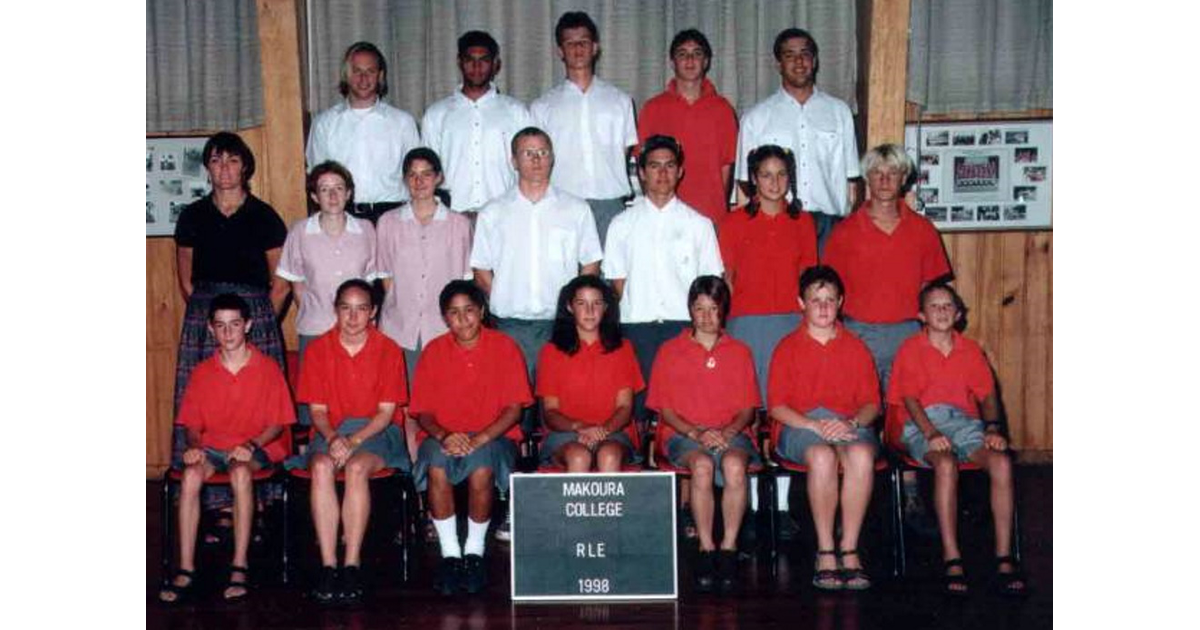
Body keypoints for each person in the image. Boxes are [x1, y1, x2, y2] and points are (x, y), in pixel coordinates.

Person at [822, 143, 953, 537]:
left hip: (907, 334)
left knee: (906, 414)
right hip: (859, 332)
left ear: (904, 180)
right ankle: (853, 496)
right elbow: (830, 289)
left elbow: (934, 288)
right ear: (866, 179)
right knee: (859, 411)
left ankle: (910, 492)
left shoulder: (922, 230)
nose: (884, 181)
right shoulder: (845, 232)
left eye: (892, 174)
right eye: (877, 173)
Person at [887, 282, 1025, 597]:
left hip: (965, 423)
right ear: (921, 315)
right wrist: (930, 433)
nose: (941, 311)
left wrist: (992, 428)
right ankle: (952, 555)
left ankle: (1004, 555)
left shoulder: (970, 349)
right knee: (946, 464)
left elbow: (987, 395)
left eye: (948, 305)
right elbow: (909, 399)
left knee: (1001, 463)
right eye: (934, 306)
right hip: (921, 421)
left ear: (959, 313)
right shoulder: (910, 348)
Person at [159, 294, 296, 604]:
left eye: (234, 324)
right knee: (191, 475)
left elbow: (278, 424)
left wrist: (251, 445)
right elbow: (193, 425)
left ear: (247, 325)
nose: (228, 333)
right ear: (210, 329)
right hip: (215, 446)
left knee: (240, 474)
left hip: (259, 443)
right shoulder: (203, 371)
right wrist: (194, 447)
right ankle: (186, 568)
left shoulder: (267, 368)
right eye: (220, 326)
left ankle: (239, 565)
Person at [470, 127, 602, 434]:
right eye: (528, 154)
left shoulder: (576, 209)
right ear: (513, 160)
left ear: (553, 158)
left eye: (543, 152)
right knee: (514, 409)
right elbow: (481, 269)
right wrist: (504, 297)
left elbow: (591, 262)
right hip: (510, 326)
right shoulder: (493, 212)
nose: (536, 160)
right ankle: (518, 476)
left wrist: (572, 308)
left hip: (560, 325)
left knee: (560, 408)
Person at [290, 279, 410, 605]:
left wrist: (352, 441)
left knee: (356, 467)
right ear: (336, 310)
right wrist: (332, 439)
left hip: (376, 433)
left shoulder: (388, 349)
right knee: (320, 466)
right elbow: (317, 411)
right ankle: (329, 565)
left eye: (361, 310)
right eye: (346, 309)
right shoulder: (317, 350)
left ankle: (352, 563)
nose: (353, 318)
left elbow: (386, 414)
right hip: (332, 430)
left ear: (373, 312)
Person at [173, 131, 289, 466]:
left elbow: (280, 282)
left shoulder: (264, 216)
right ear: (207, 168)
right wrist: (208, 322)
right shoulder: (192, 216)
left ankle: (259, 492)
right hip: (206, 318)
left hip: (255, 315)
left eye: (232, 160)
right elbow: (185, 280)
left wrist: (260, 321)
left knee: (257, 405)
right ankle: (208, 491)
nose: (224, 168)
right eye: (216, 160)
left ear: (245, 168)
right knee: (205, 406)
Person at [410, 280, 533, 596]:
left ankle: (475, 552)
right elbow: (422, 411)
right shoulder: (434, 351)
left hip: (493, 436)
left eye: (469, 311)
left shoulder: (505, 347)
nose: (463, 320)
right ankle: (451, 554)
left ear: (481, 311)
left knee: (481, 467)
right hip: (443, 437)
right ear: (444, 318)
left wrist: (480, 438)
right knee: (437, 466)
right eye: (454, 313)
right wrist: (444, 435)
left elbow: (513, 410)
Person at [720, 145, 818, 535]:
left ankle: (780, 507)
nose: (774, 182)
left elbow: (809, 279)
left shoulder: (804, 222)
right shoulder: (733, 223)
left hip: (790, 326)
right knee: (751, 412)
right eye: (766, 175)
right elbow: (727, 278)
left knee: (785, 410)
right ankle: (750, 507)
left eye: (781, 174)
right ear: (753, 180)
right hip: (745, 324)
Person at [768, 265, 880, 591]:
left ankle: (850, 548)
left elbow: (873, 403)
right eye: (815, 300)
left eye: (830, 300)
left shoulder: (856, 346)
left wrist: (853, 422)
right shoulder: (786, 347)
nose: (823, 307)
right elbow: (777, 406)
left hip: (848, 423)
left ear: (840, 302)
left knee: (860, 455)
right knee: (821, 456)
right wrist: (815, 425)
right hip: (801, 425)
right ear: (801, 303)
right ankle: (826, 549)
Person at [648, 276, 760, 594]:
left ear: (724, 311)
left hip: (730, 434)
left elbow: (748, 409)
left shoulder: (740, 352)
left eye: (714, 309)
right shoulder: (670, 351)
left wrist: (728, 432)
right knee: (701, 467)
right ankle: (706, 547)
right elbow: (665, 409)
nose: (707, 317)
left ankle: (728, 548)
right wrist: (696, 432)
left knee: (735, 466)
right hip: (684, 434)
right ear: (690, 311)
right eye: (700, 309)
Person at [602, 134, 724, 422]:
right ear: (642, 173)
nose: (662, 173)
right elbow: (616, 286)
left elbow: (709, 286)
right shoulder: (621, 224)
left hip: (682, 327)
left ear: (680, 171)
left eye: (670, 166)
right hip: (637, 327)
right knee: (640, 408)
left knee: (682, 406)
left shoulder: (699, 224)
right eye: (654, 166)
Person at [376, 148, 473, 458]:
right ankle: (413, 477)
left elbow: (463, 280)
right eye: (412, 175)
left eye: (426, 174)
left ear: (439, 177)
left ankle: (439, 476)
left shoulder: (458, 224)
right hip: (400, 329)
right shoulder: (388, 222)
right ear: (405, 180)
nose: (419, 182)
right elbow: (385, 277)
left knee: (440, 407)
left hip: (442, 331)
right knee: (404, 408)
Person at [735, 28, 860, 250]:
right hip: (776, 225)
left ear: (815, 59)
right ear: (778, 64)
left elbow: (851, 182)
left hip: (828, 226)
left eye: (805, 53)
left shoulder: (840, 112)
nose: (799, 61)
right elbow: (745, 186)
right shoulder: (755, 118)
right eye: (789, 55)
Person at [276, 161, 377, 426]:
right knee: (317, 406)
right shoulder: (300, 232)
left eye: (338, 188)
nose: (332, 196)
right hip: (315, 328)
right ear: (314, 196)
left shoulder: (366, 230)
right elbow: (296, 283)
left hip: (358, 332)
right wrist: (313, 314)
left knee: (355, 402)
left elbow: (371, 281)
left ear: (349, 193)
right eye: (324, 189)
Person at [531, 11, 638, 247]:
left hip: (610, 206)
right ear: (560, 51)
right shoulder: (543, 106)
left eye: (583, 42)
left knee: (610, 279)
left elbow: (625, 151)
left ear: (595, 47)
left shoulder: (620, 101)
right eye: (570, 43)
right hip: (562, 205)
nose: (577, 49)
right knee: (565, 280)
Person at [536, 275, 644, 472]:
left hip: (613, 433)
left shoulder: (623, 348)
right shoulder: (551, 351)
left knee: (609, 455)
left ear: (606, 307)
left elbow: (625, 408)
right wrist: (580, 427)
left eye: (596, 303)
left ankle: (609, 504)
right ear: (570, 307)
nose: (590, 311)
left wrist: (601, 432)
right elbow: (550, 413)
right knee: (579, 457)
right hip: (566, 434)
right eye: (581, 303)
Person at [306, 41, 421, 224]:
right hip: (342, 216)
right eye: (357, 71)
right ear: (346, 75)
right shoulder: (324, 124)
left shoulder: (403, 123)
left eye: (370, 71)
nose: (363, 79)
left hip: (394, 217)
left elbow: (416, 176)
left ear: (380, 76)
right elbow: (317, 177)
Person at [421, 30, 533, 217]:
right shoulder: (436, 114)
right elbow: (426, 171)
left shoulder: (516, 111)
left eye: (484, 60)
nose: (476, 66)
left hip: (505, 215)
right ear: (459, 62)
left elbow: (528, 167)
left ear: (495, 64)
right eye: (470, 60)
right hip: (451, 216)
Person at [637, 28, 738, 225]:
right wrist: (656, 205)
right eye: (683, 54)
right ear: (672, 62)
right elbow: (643, 164)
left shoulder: (723, 109)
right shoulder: (652, 108)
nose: (690, 60)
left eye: (697, 54)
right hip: (664, 215)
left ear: (706, 61)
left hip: (710, 216)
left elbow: (727, 166)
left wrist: (718, 209)